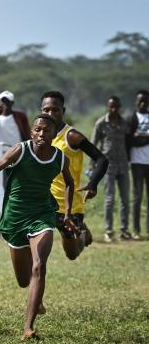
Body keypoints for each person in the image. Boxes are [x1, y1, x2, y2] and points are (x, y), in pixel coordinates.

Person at [0, 114, 76, 340]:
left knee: (39, 266)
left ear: (55, 135)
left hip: (42, 214)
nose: (42, 134)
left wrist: (66, 214)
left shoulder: (60, 158)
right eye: (38, 130)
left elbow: (70, 183)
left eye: (46, 130)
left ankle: (28, 327)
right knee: (23, 279)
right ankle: (37, 299)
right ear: (31, 132)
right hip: (15, 217)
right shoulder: (20, 150)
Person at [40, 91, 108, 260]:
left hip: (70, 204)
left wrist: (92, 184)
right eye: (46, 110)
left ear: (63, 110)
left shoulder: (71, 136)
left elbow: (102, 159)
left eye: (55, 110)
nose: (50, 114)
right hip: (45, 202)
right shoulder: (40, 134)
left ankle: (82, 233)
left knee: (71, 253)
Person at [93, 96, 132, 242]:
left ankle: (124, 230)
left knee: (125, 199)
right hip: (108, 166)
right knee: (110, 199)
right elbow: (93, 144)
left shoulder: (124, 123)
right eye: (111, 106)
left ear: (119, 107)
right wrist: (93, 166)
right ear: (107, 107)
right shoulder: (101, 123)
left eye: (116, 106)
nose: (114, 109)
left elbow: (129, 142)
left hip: (123, 165)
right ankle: (108, 231)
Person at [128, 90, 149, 239]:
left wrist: (140, 136)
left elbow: (137, 137)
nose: (142, 103)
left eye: (145, 101)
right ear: (136, 102)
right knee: (137, 197)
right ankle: (136, 230)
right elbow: (130, 139)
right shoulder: (131, 118)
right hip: (136, 162)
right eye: (140, 101)